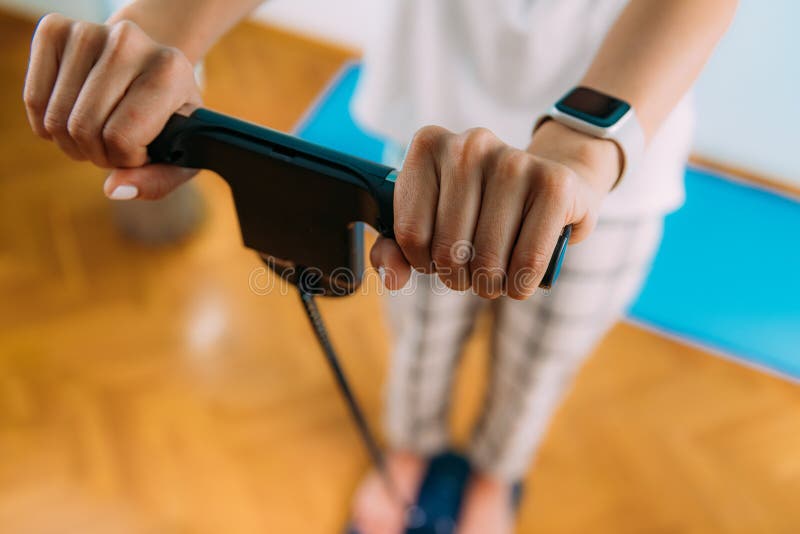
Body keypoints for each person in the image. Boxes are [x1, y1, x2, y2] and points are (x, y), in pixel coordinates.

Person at [22, 1, 737, 532]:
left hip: (610, 187)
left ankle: (495, 476)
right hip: (425, 159)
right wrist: (162, 25)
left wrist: (583, 143)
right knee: (420, 340)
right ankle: (410, 453)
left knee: (541, 365)